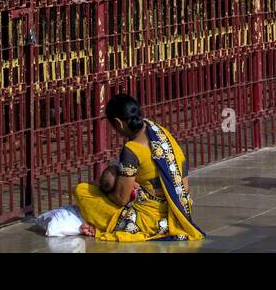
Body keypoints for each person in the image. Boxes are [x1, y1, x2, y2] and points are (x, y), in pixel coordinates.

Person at [74, 93, 204, 241]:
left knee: (82, 191)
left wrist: (104, 191)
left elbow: (121, 199)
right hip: (181, 209)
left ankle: (114, 224)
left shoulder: (132, 149)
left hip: (151, 219)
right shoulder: (157, 129)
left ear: (118, 123)